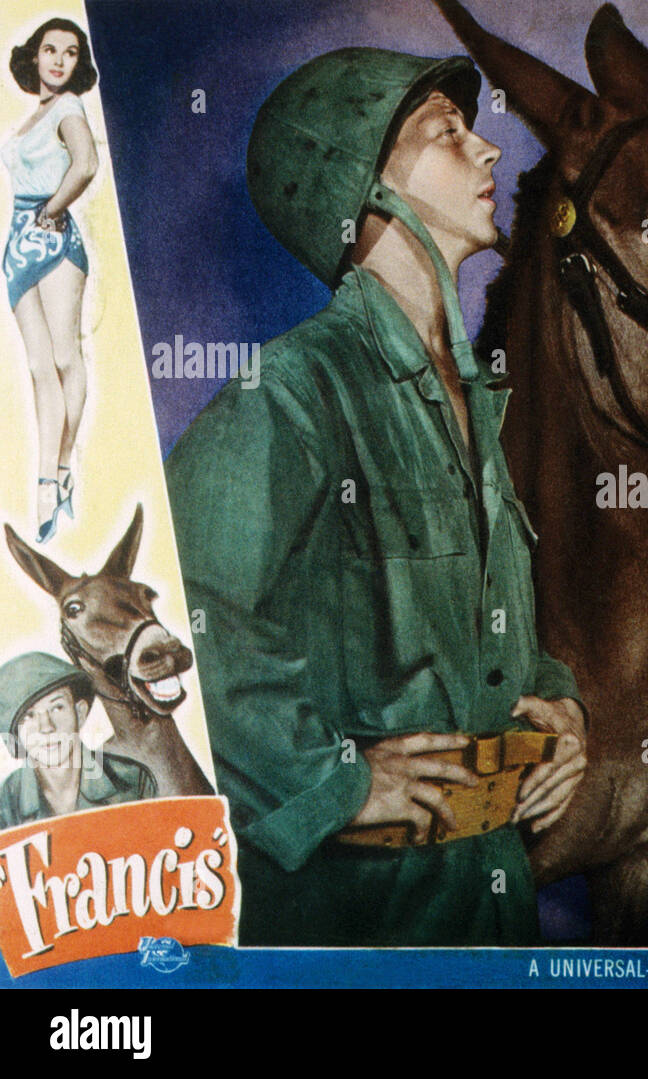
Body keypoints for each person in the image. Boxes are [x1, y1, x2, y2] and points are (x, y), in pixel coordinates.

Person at [164, 48, 587, 946]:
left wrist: (562, 710)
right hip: (362, 929)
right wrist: (341, 784)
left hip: (491, 904)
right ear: (363, 189)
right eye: (447, 131)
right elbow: (190, 626)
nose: (491, 153)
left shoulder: (475, 400)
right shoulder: (285, 394)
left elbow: (489, 639)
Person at [3, 18, 99, 542]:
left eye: (69, 52)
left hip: (55, 240)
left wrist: (52, 210)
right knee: (40, 367)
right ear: (34, 57)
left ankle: (55, 474)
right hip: (18, 245)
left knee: (65, 359)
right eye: (49, 50)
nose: (59, 60)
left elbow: (85, 164)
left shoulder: (68, 107)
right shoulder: (32, 116)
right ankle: (51, 479)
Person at [0, 652, 156, 829]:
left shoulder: (132, 781)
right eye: (29, 716)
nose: (46, 727)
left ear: (80, 713)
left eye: (57, 707)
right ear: (15, 734)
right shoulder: (5, 803)